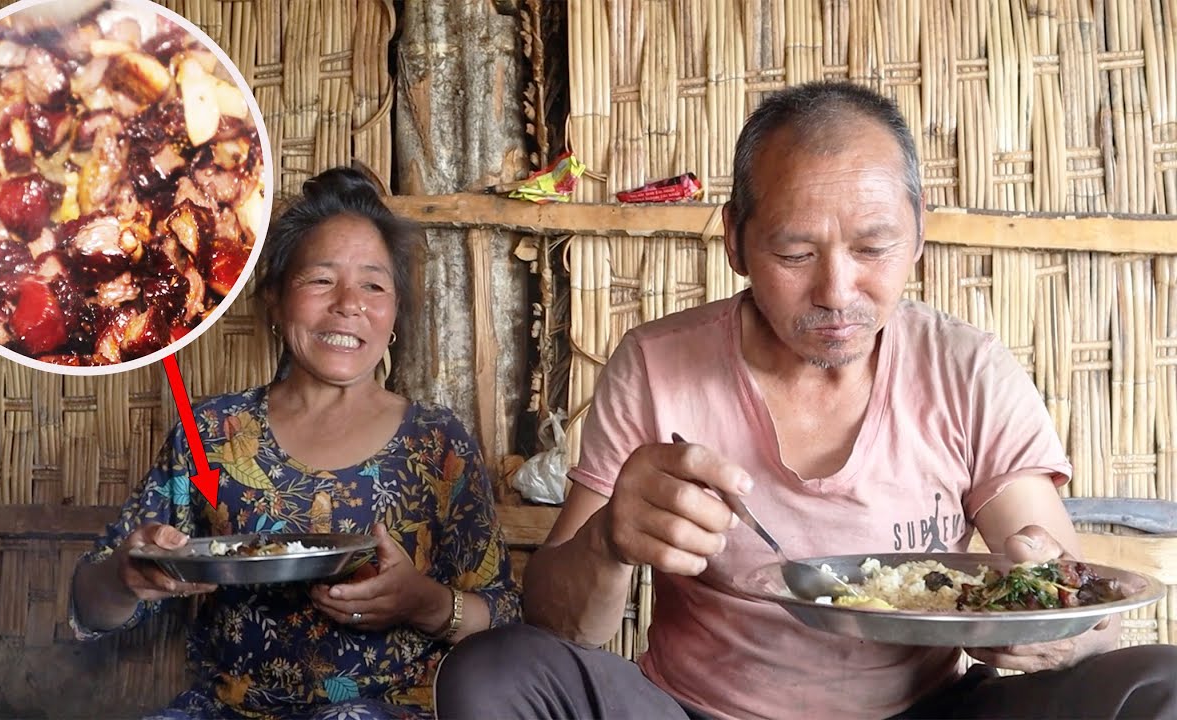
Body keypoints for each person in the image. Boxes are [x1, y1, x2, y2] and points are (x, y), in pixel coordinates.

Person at [433, 82, 1177, 719]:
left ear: (919, 235)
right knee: (493, 673)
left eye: (874, 247)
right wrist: (608, 544)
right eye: (794, 254)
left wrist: (1049, 621)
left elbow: (1064, 589)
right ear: (734, 240)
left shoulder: (967, 369)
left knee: (1158, 685)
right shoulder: (658, 365)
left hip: (927, 710)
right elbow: (566, 626)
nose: (836, 293)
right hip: (697, 711)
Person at [69, 167, 521, 720]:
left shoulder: (437, 442)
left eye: (374, 285)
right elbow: (89, 608)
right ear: (277, 302)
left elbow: (502, 614)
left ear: (395, 313)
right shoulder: (211, 431)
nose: (348, 303)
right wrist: (125, 573)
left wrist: (424, 603)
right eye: (321, 279)